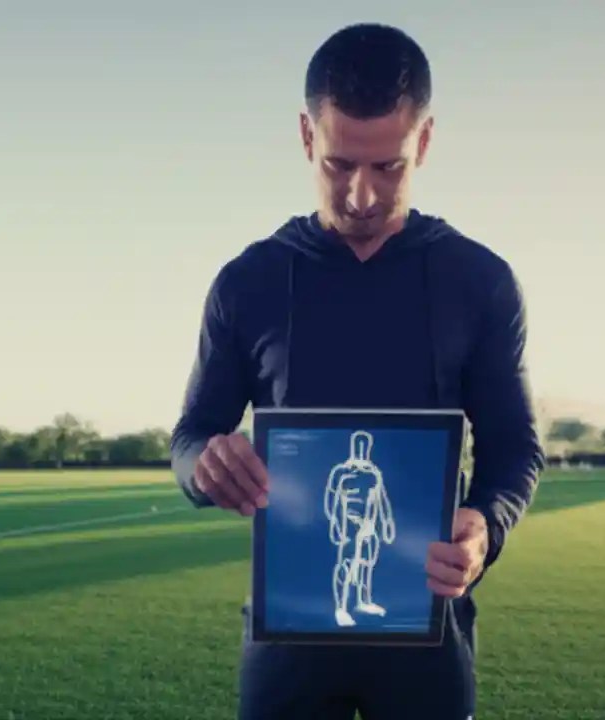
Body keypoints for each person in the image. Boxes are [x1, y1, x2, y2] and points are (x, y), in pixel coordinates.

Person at [168, 22, 546, 720]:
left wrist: (485, 528)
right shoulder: (248, 283)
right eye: (340, 165)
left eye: (388, 167)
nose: (362, 195)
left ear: (424, 142)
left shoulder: (479, 281)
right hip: (286, 643)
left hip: (428, 641)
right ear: (307, 138)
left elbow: (515, 451)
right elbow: (191, 434)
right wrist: (205, 464)